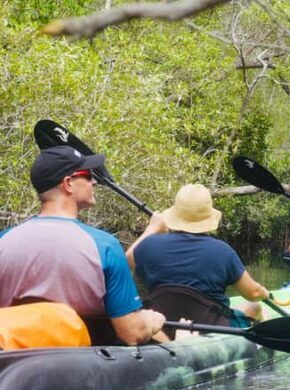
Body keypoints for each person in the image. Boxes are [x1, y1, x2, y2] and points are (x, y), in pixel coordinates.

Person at [0, 146, 166, 346]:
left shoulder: (4, 239)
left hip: (12, 364)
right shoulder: (104, 246)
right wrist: (151, 320)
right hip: (81, 366)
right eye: (88, 176)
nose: (95, 181)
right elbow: (131, 333)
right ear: (68, 184)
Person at [126, 183, 269, 326]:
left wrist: (152, 228)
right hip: (212, 328)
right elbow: (253, 293)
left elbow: (126, 262)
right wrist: (264, 292)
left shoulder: (149, 245)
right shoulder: (223, 251)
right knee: (254, 307)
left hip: (163, 327)